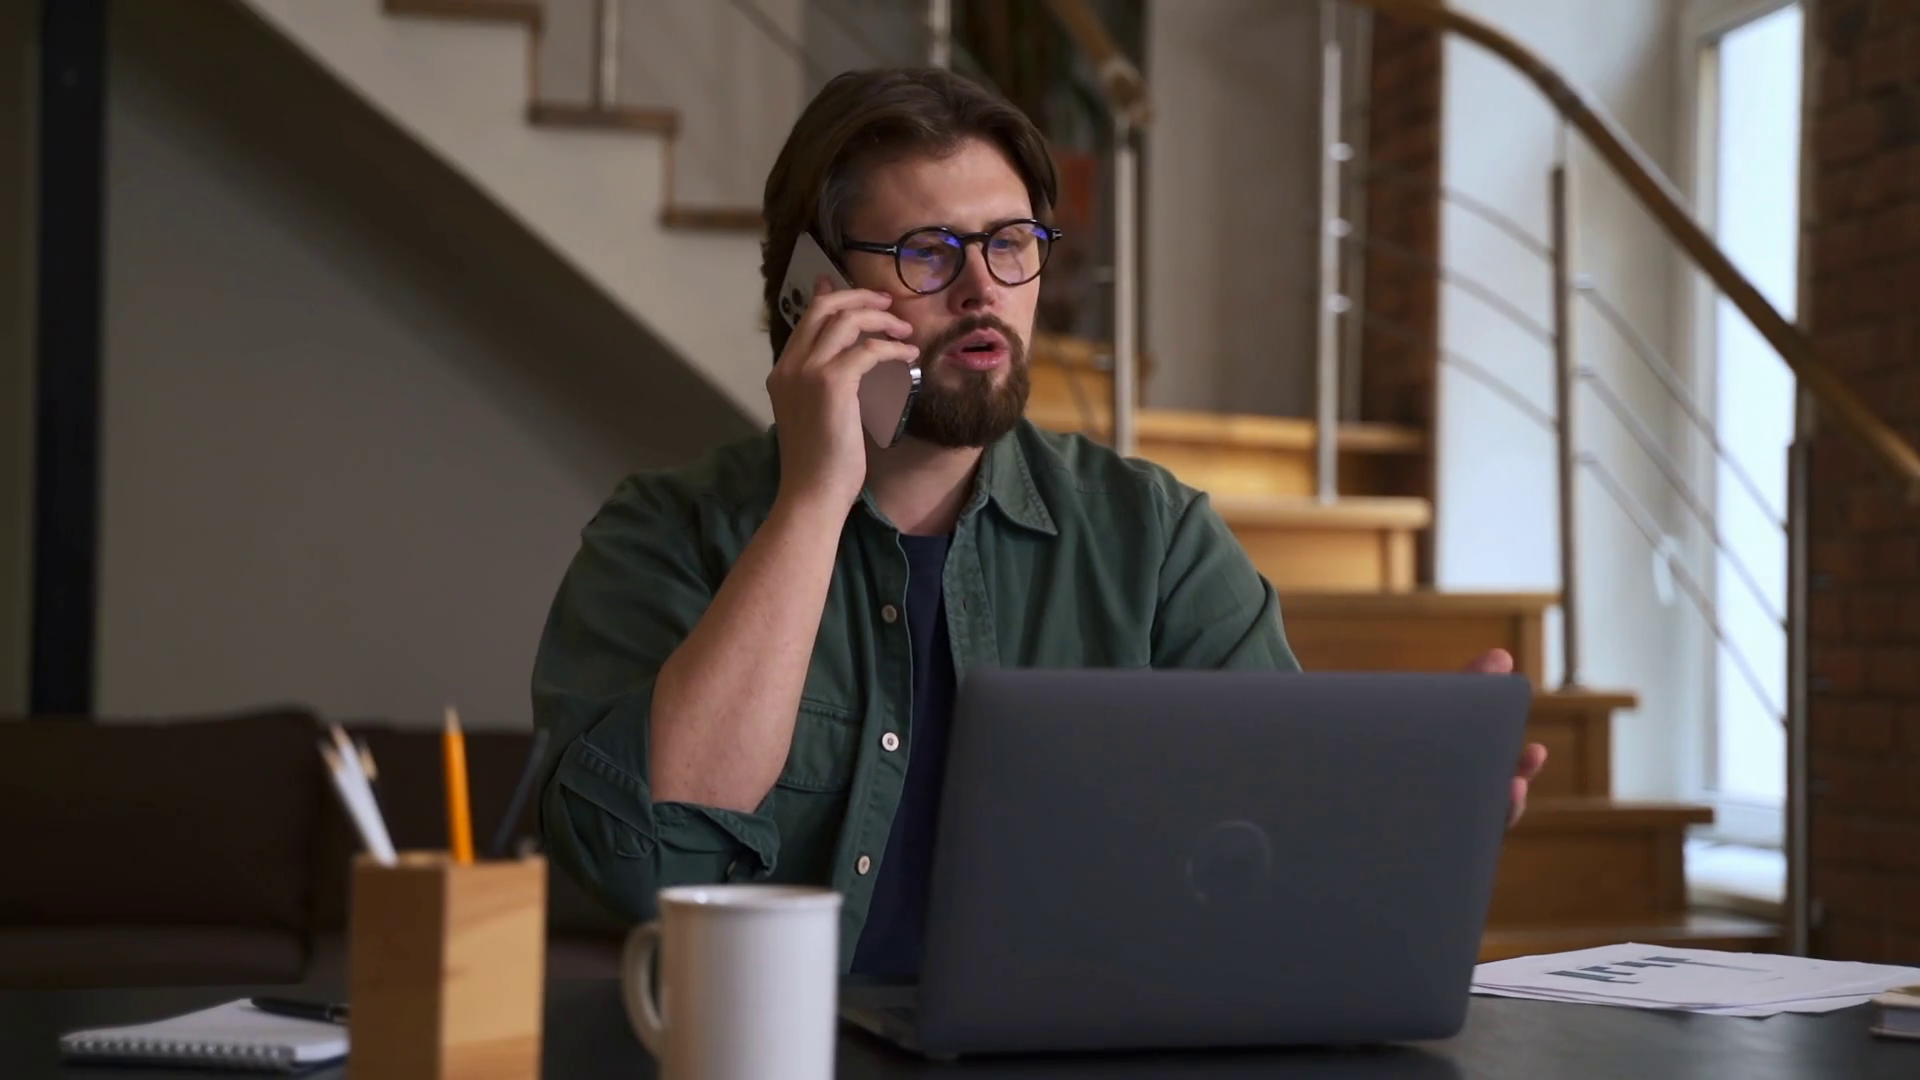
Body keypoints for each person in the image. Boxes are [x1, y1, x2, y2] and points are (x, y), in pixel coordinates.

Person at [530, 67, 1548, 975]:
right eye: (929, 253)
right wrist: (812, 500)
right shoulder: (665, 534)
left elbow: (1264, 849)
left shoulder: (1155, 540)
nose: (984, 291)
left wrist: (1410, 827)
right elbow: (646, 860)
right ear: (813, 294)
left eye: (1011, 244)